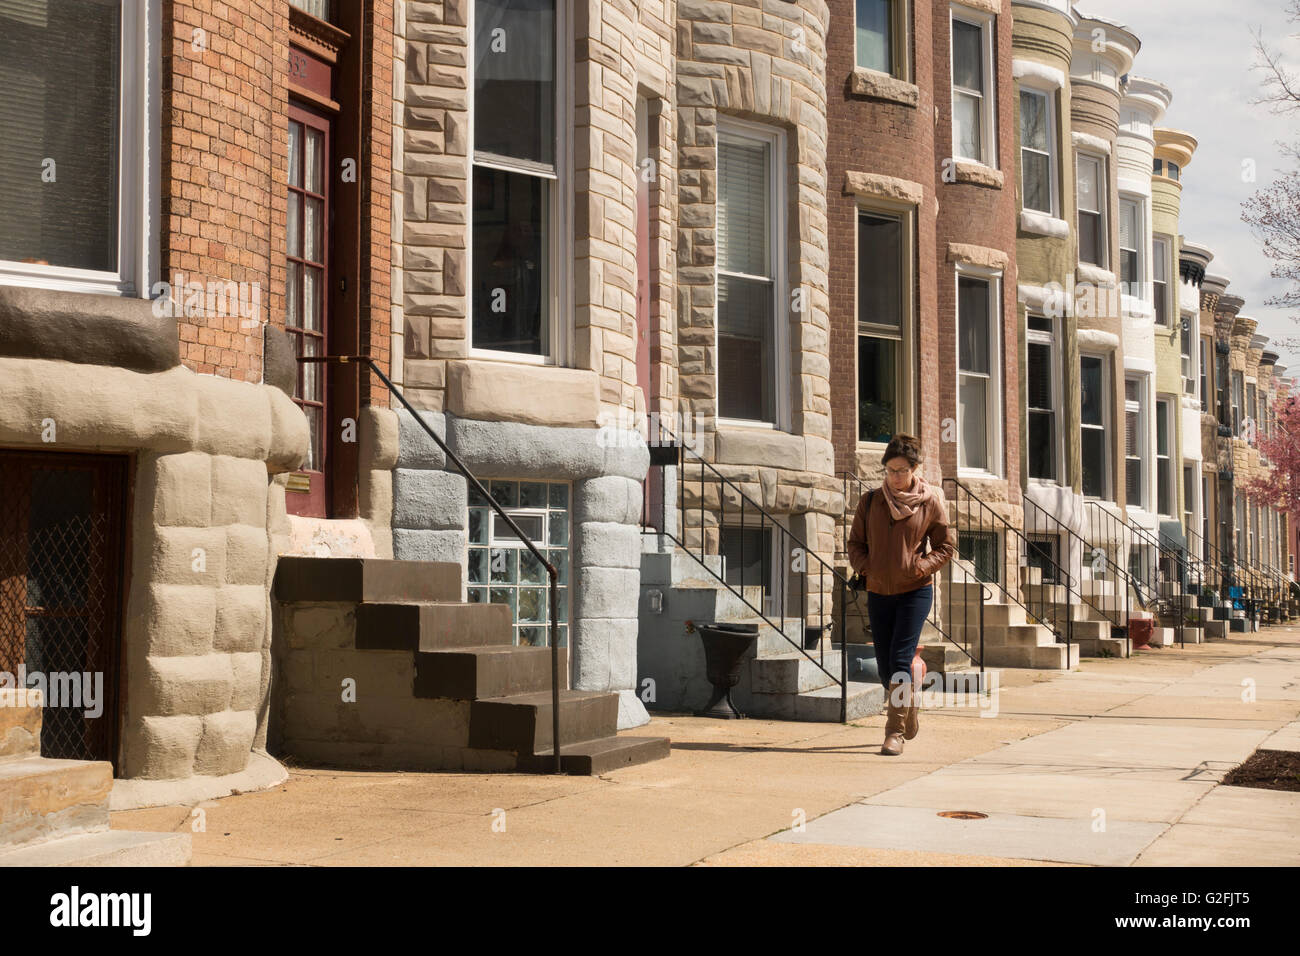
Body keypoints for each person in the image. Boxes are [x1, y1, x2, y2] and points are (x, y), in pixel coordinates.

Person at [846, 434, 956, 756]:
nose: (895, 477)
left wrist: (920, 568)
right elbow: (855, 545)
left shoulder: (929, 501)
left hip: (914, 592)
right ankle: (908, 708)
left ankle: (894, 732)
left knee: (899, 660)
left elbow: (946, 547)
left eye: (901, 470)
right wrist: (868, 568)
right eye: (890, 470)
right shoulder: (870, 502)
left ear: (914, 469)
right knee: (883, 668)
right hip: (879, 591)